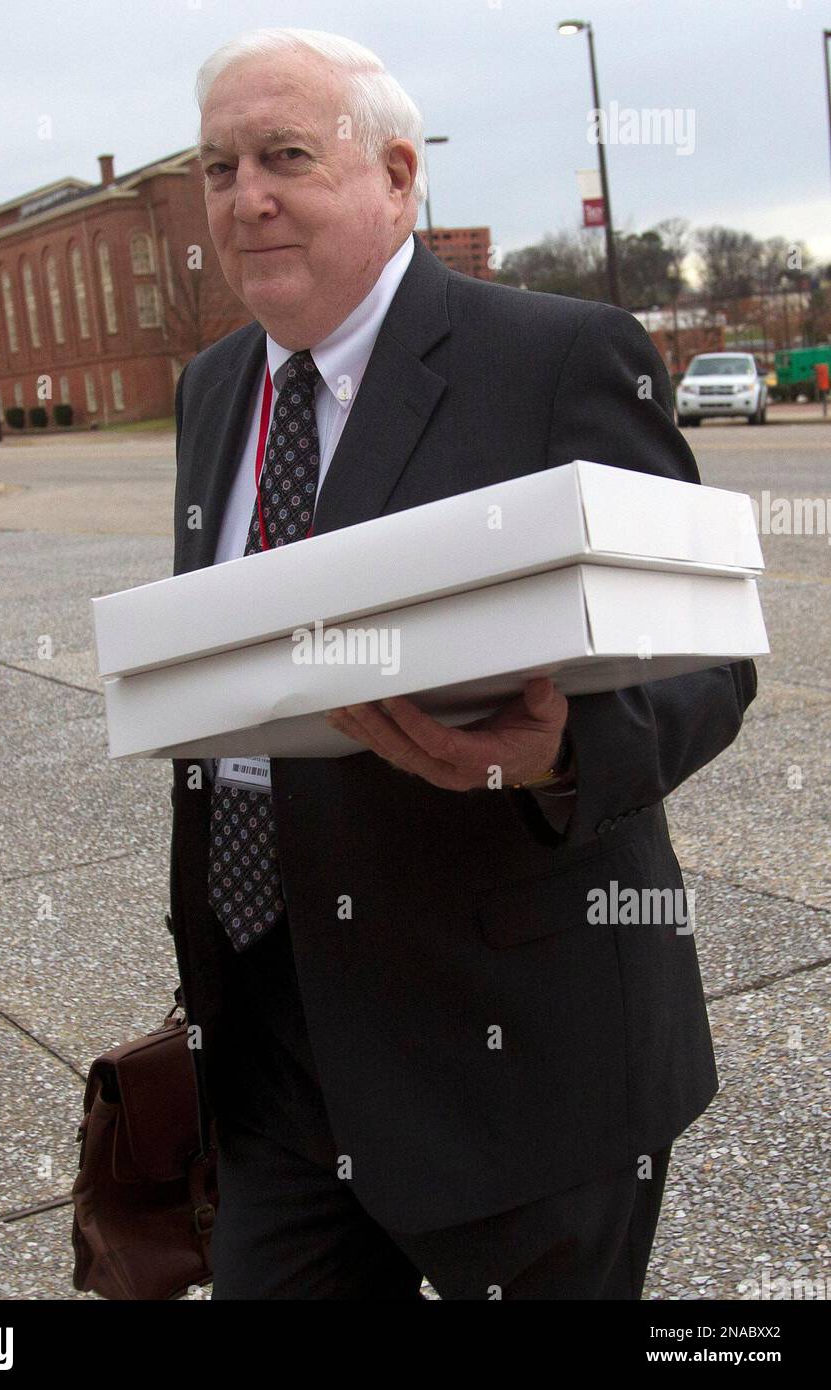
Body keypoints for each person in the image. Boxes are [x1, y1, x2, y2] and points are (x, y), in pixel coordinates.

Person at [168, 26, 757, 1300]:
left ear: (395, 174)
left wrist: (558, 751)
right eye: (219, 167)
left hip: (518, 1056)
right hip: (275, 1041)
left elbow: (713, 656)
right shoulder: (214, 389)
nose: (246, 196)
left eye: (284, 156)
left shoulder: (557, 359)